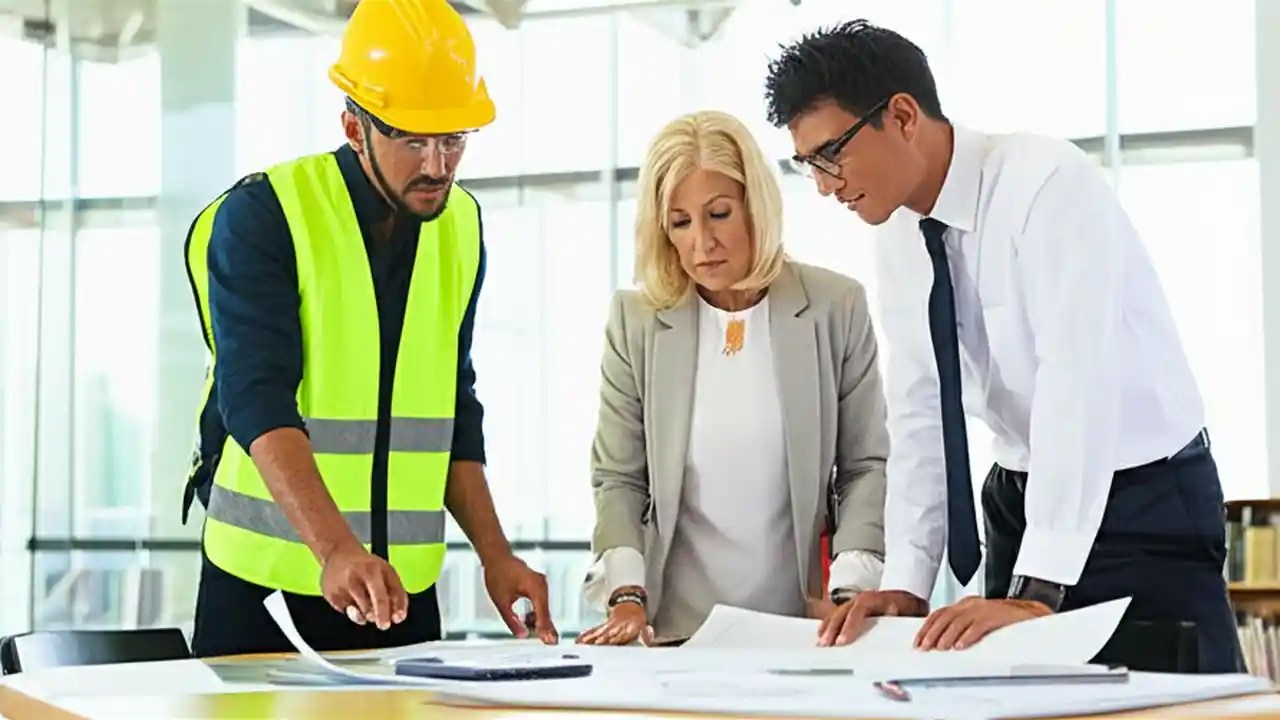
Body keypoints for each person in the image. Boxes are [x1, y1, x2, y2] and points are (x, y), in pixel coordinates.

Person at [762, 19, 1243, 673]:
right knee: (1015, 700)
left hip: (1141, 498)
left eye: (831, 154)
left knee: (1183, 702)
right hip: (1020, 502)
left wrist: (1039, 590)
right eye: (808, 165)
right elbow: (921, 409)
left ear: (901, 116)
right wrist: (907, 580)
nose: (824, 184)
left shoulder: (1045, 185)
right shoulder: (899, 234)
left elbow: (1076, 383)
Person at [181, 0, 556, 657]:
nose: (437, 164)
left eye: (454, 139)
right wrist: (335, 550)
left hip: (399, 594)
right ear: (354, 127)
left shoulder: (460, 227)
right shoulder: (265, 216)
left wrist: (496, 555)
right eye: (413, 140)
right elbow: (257, 399)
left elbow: (453, 407)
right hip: (265, 593)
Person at [577, 109, 889, 646]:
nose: (702, 243)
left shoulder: (835, 306)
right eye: (680, 223)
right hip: (674, 632)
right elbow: (620, 477)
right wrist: (627, 595)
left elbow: (863, 465)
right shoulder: (637, 321)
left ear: (755, 207)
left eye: (718, 214)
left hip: (801, 631)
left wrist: (849, 589)